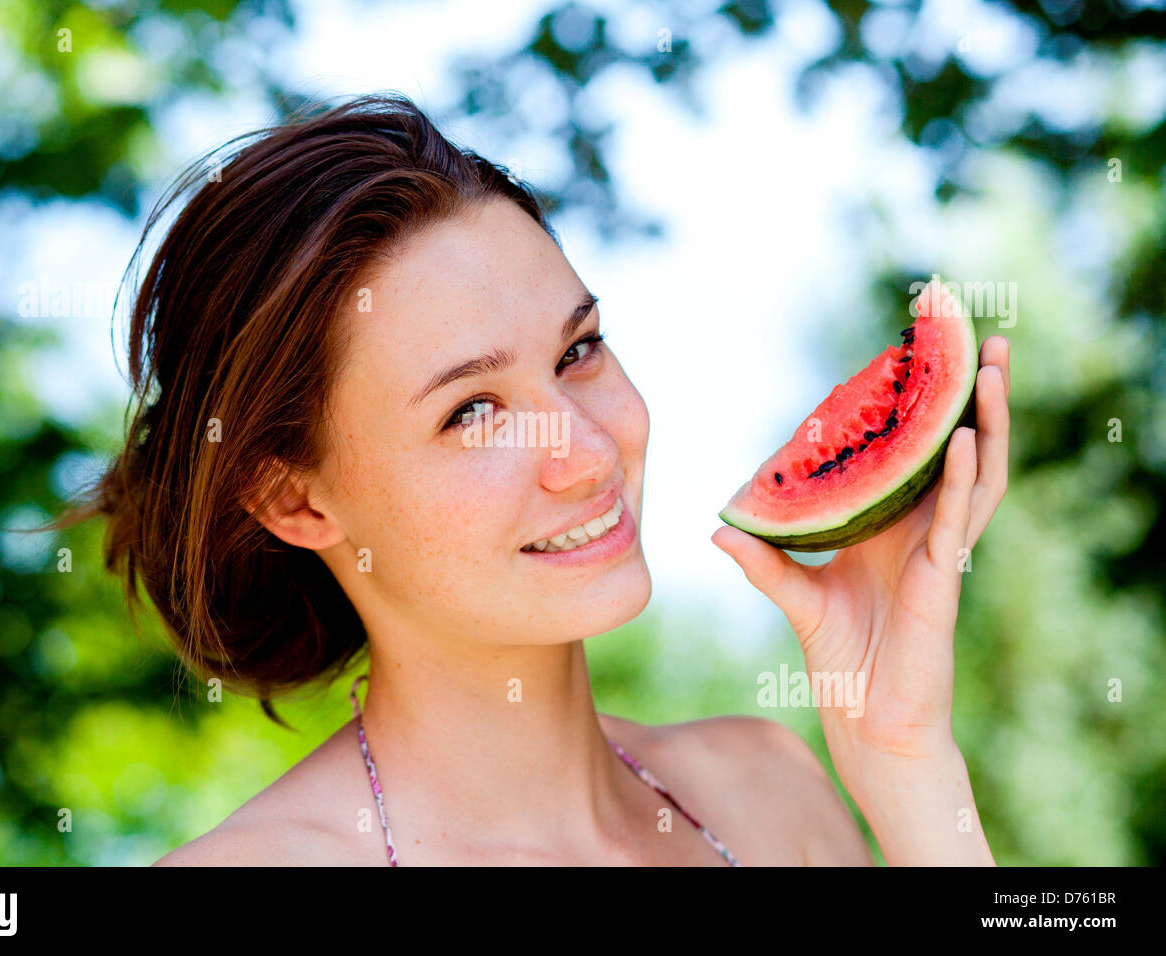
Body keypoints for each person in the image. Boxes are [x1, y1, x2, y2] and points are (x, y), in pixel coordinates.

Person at [60, 91, 1010, 866]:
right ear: (295, 500)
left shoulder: (767, 789)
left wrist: (903, 761)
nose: (591, 452)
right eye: (471, 413)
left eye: (580, 350)